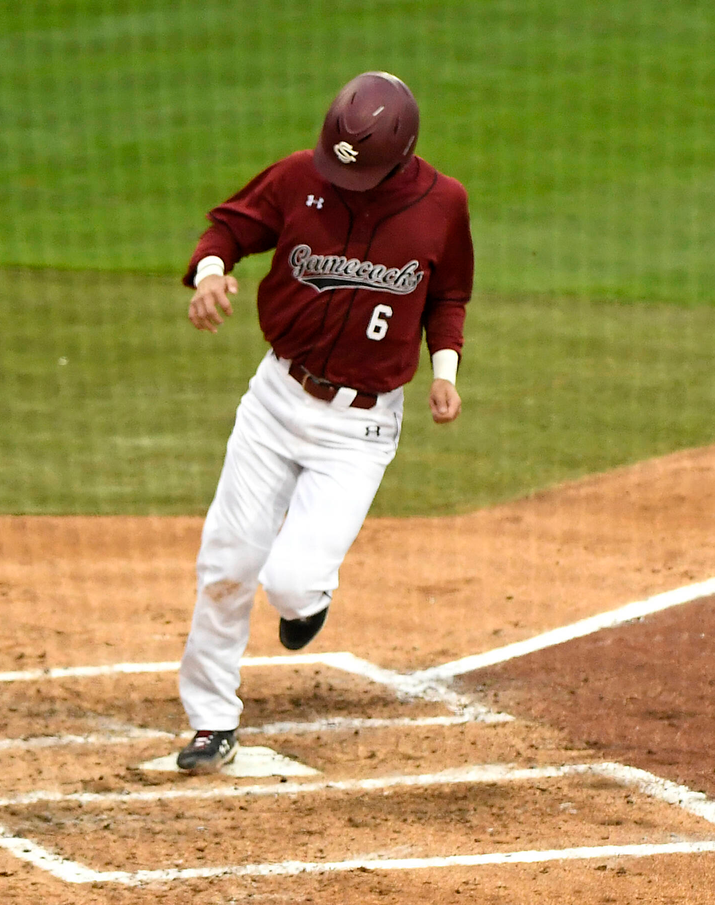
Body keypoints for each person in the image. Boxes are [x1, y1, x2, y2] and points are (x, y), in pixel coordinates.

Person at [175, 71, 474, 773]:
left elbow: (450, 291)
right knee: (227, 562)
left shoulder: (443, 204)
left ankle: (308, 598)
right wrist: (211, 270)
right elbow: (228, 227)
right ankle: (211, 721)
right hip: (276, 401)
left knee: (289, 580)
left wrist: (446, 372)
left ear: (400, 155)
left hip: (358, 430)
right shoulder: (297, 178)